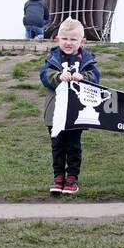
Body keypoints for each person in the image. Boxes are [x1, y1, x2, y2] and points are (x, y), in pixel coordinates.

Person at [39, 17, 100, 195]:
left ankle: (72, 178)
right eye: (65, 38)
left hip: (76, 112)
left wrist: (84, 77)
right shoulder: (51, 59)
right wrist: (58, 77)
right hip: (55, 112)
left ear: (82, 41)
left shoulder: (87, 60)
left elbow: (95, 78)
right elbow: (45, 76)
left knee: (73, 145)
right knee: (57, 145)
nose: (68, 43)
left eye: (73, 39)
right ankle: (58, 177)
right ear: (57, 39)